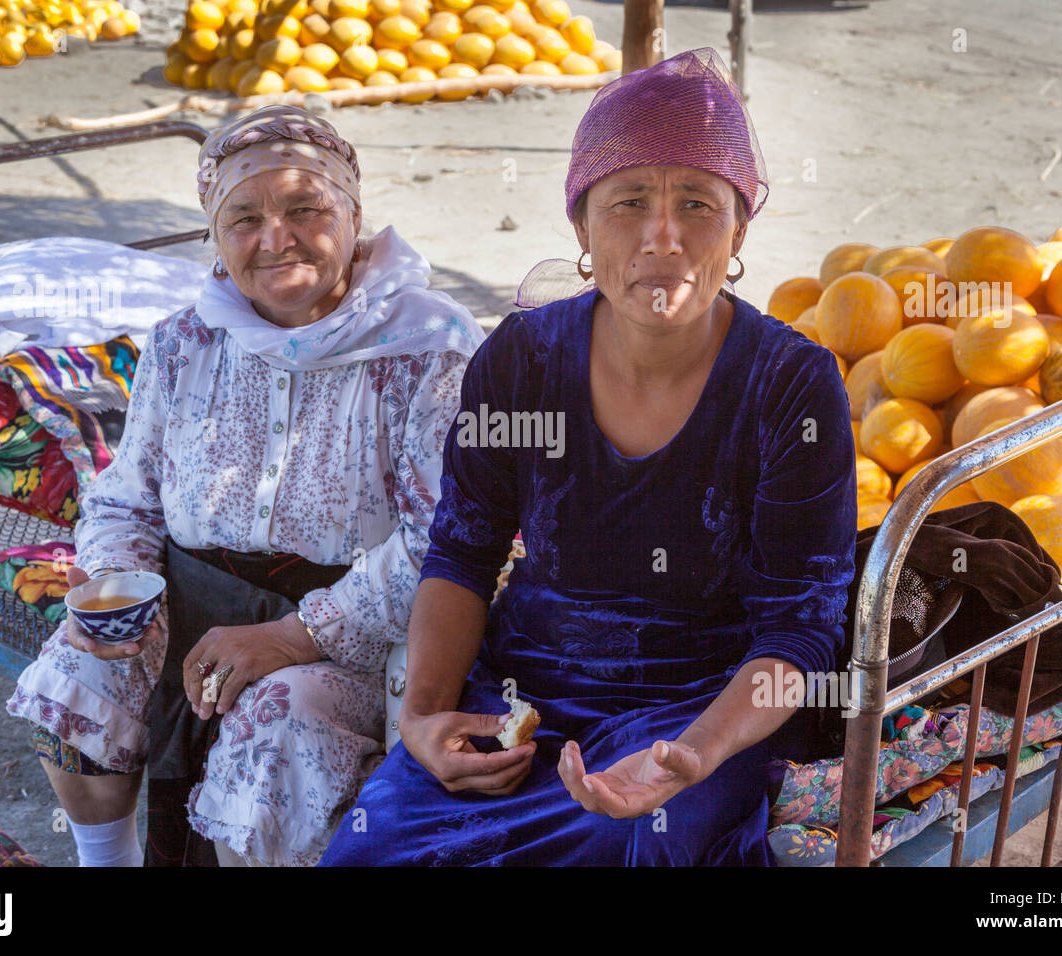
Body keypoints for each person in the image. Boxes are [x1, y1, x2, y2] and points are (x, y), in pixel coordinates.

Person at [319, 48, 857, 866]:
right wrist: (423, 720)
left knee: (632, 837)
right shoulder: (523, 361)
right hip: (521, 700)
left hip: (697, 710)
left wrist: (698, 756)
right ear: (581, 225)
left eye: (698, 204)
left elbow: (801, 632)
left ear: (740, 227)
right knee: (373, 850)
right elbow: (463, 552)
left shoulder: (792, 387)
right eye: (628, 200)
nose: (662, 236)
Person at [6, 105, 484, 867]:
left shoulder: (430, 346)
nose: (276, 237)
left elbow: (451, 540)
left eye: (306, 208)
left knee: (277, 719)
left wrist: (296, 637)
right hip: (189, 608)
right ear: (214, 235)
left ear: (354, 215)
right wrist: (118, 588)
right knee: (77, 668)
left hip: (352, 641)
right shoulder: (183, 340)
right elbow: (128, 493)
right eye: (244, 217)